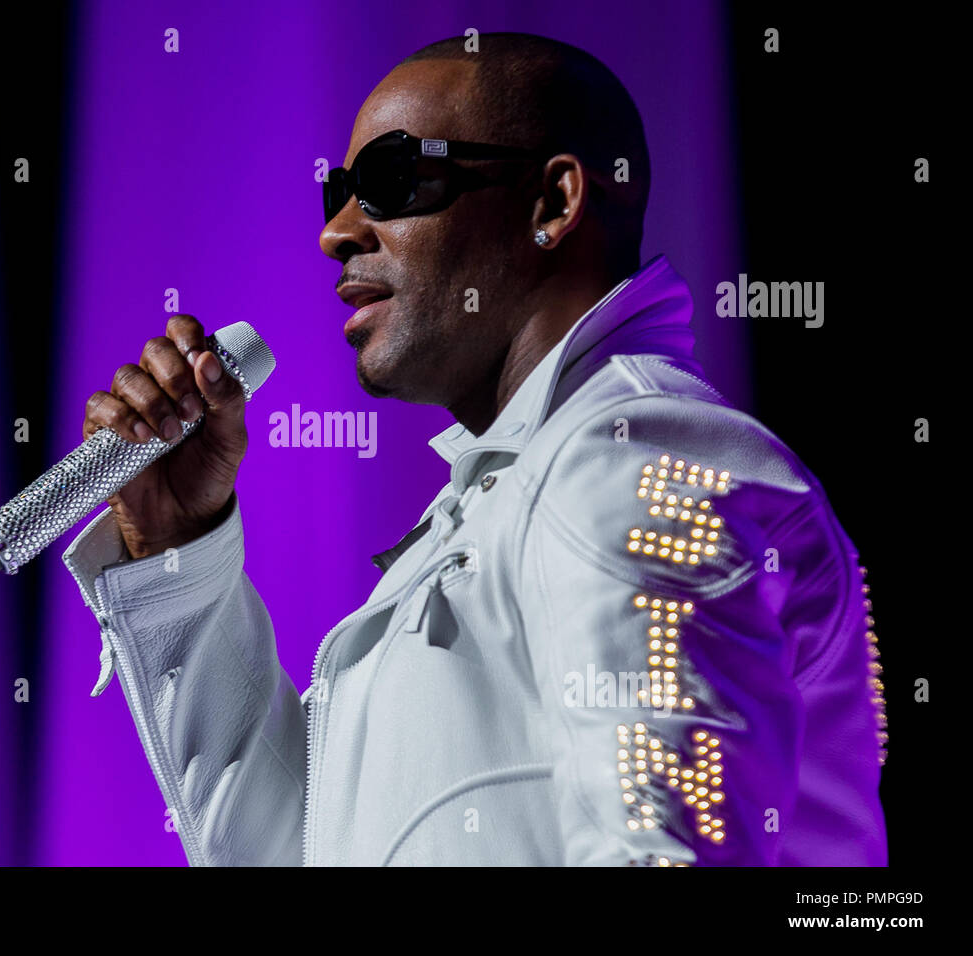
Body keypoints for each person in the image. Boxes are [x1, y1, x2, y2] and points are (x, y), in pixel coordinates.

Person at [62, 32, 887, 866]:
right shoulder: (524, 487)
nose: (338, 233)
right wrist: (176, 549)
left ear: (552, 205)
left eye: (391, 179)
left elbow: (670, 855)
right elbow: (291, 850)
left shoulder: (628, 462)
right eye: (338, 194)